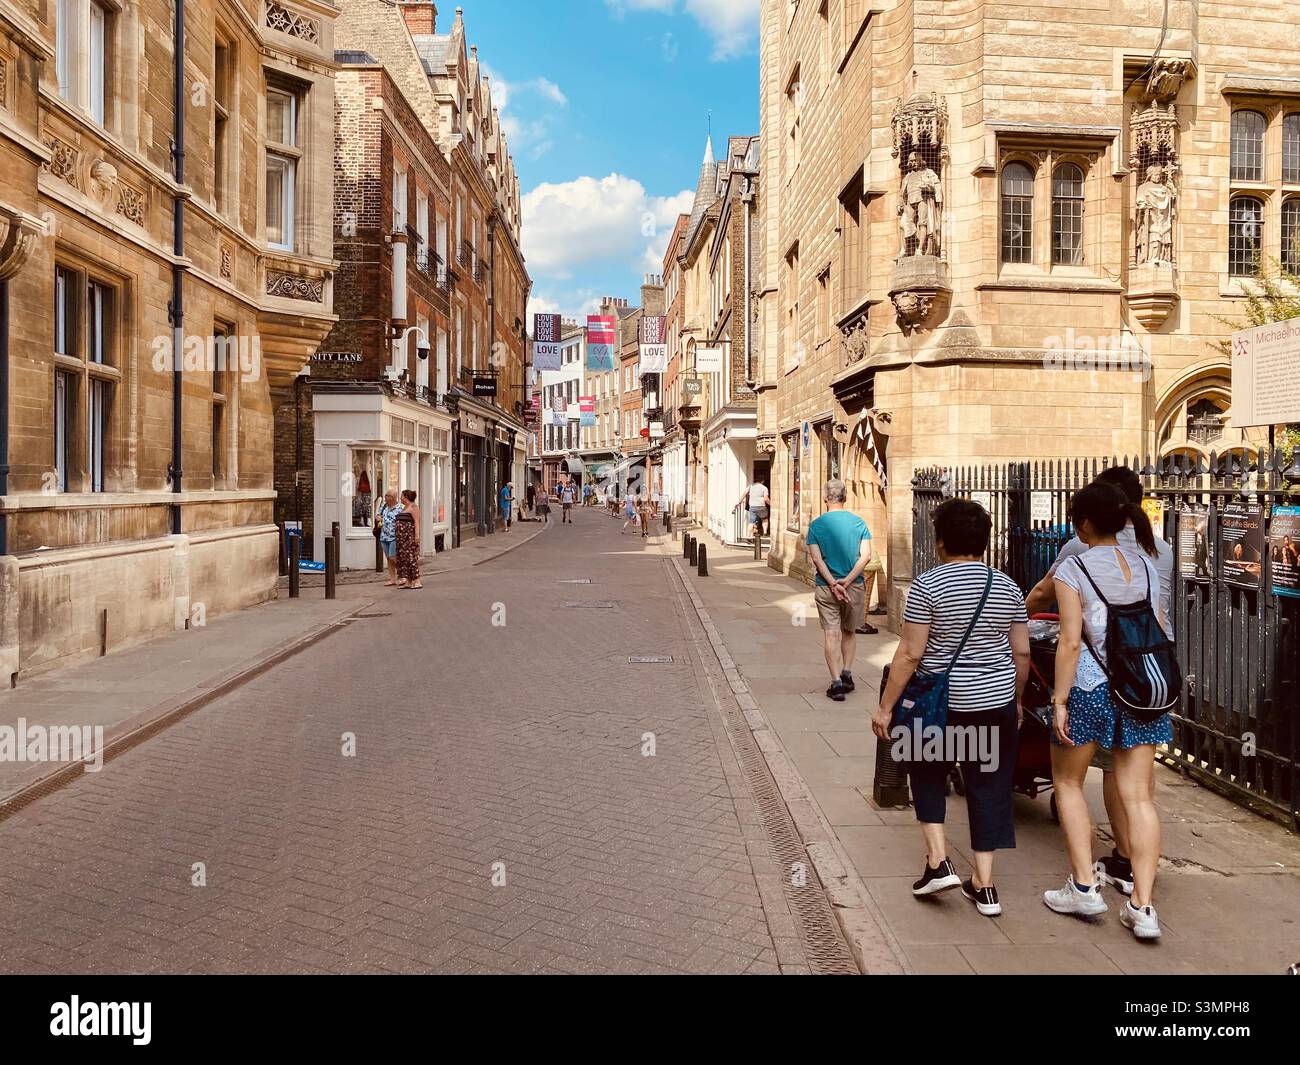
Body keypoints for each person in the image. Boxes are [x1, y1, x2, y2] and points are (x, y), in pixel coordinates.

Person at [872, 498, 1030, 917]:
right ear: (983, 540)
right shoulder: (1007, 586)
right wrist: (1015, 700)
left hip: (938, 704)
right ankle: (985, 884)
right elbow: (1022, 654)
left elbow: (909, 653)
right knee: (989, 785)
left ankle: (938, 861)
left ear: (941, 542)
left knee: (926, 772)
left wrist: (886, 707)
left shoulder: (927, 586)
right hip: (994, 700)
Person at [1025, 465, 1172, 897]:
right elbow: (1159, 627)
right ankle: (1143, 904)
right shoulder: (1149, 561)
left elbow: (1070, 643)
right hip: (1142, 685)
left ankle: (1084, 888)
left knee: (1068, 783)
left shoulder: (1075, 565)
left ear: (1085, 523)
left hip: (1091, 685)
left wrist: (1059, 701)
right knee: (1140, 797)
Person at [804, 479, 874, 702]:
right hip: (853, 586)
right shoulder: (859, 523)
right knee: (849, 631)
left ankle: (836, 683)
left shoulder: (816, 525)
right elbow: (866, 556)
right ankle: (847, 673)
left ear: (825, 498)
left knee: (831, 633)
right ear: (845, 497)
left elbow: (816, 559)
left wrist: (833, 583)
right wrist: (846, 581)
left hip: (827, 588)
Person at [394, 489, 422, 590]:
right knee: (403, 559)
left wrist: (417, 536)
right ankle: (409, 581)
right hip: (401, 539)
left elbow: (416, 522)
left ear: (406, 497)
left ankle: (417, 580)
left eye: (401, 496)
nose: (400, 498)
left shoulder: (414, 507)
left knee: (411, 558)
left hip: (408, 537)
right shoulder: (404, 507)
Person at [377, 490, 404, 587]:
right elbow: (379, 515)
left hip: (395, 536)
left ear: (393, 498)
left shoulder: (401, 508)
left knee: (393, 557)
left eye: (387, 496)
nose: (385, 497)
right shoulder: (384, 506)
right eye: (385, 495)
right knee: (388, 558)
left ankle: (402, 575)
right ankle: (392, 579)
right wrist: (378, 517)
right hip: (384, 536)